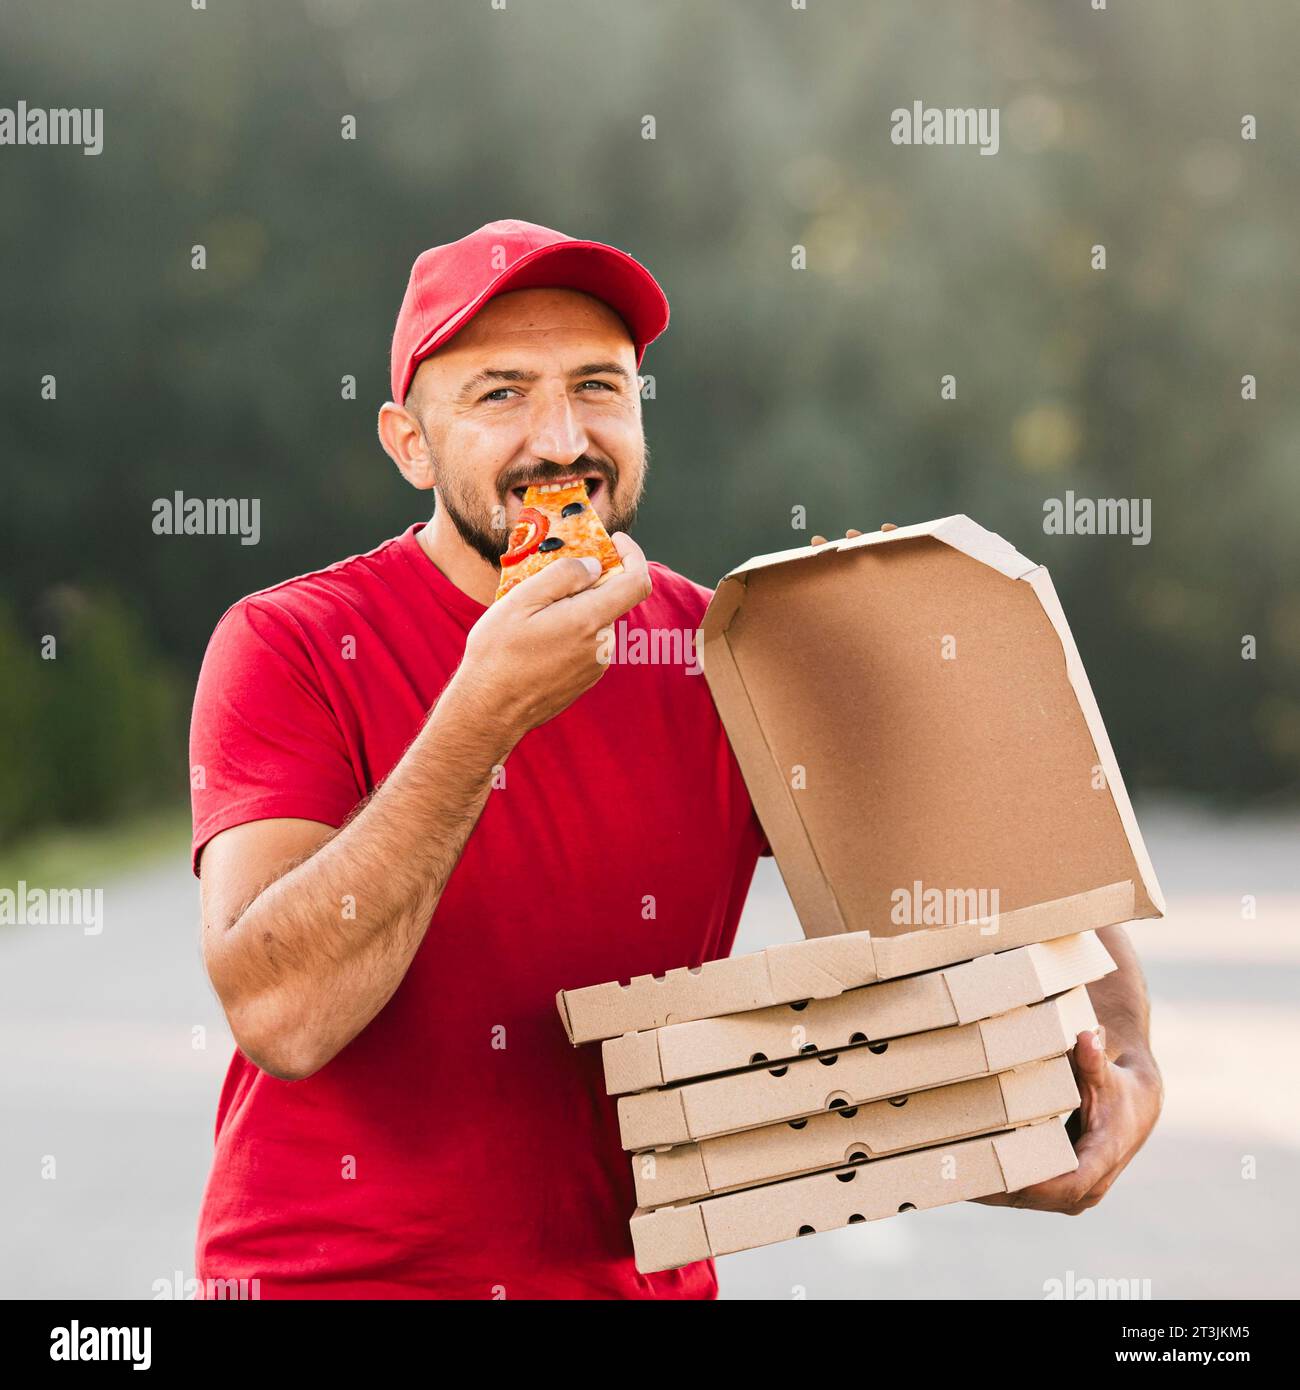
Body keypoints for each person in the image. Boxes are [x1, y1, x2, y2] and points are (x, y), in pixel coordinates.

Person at [189, 219, 1163, 1300]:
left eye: (598, 386)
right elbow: (281, 1016)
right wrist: (482, 716)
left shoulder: (731, 652)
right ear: (410, 443)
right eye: (500, 393)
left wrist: (1120, 1064)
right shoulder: (291, 645)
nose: (560, 440)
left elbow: (1022, 881)